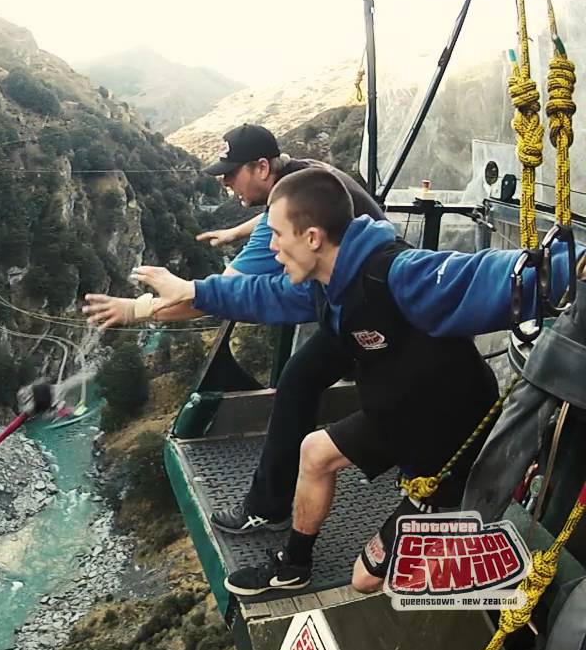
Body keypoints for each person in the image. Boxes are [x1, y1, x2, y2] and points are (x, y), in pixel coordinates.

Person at [128, 167, 577, 595]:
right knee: (314, 452)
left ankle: (484, 569)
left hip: (448, 443)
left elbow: (491, 275)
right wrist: (192, 291)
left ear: (312, 237)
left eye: (278, 239)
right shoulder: (327, 284)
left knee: (366, 579)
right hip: (400, 417)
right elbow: (261, 295)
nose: (275, 251)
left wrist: (571, 266)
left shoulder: (400, 275)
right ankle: (294, 567)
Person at [83, 123, 386, 534]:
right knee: (300, 380)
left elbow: (214, 298)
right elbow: (266, 218)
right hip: (363, 298)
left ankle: (268, 508)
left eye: (231, 173)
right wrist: (235, 231)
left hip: (365, 316)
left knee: (312, 384)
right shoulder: (304, 175)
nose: (225, 183)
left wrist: (135, 310)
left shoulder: (280, 216)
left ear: (262, 167)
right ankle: (274, 503)